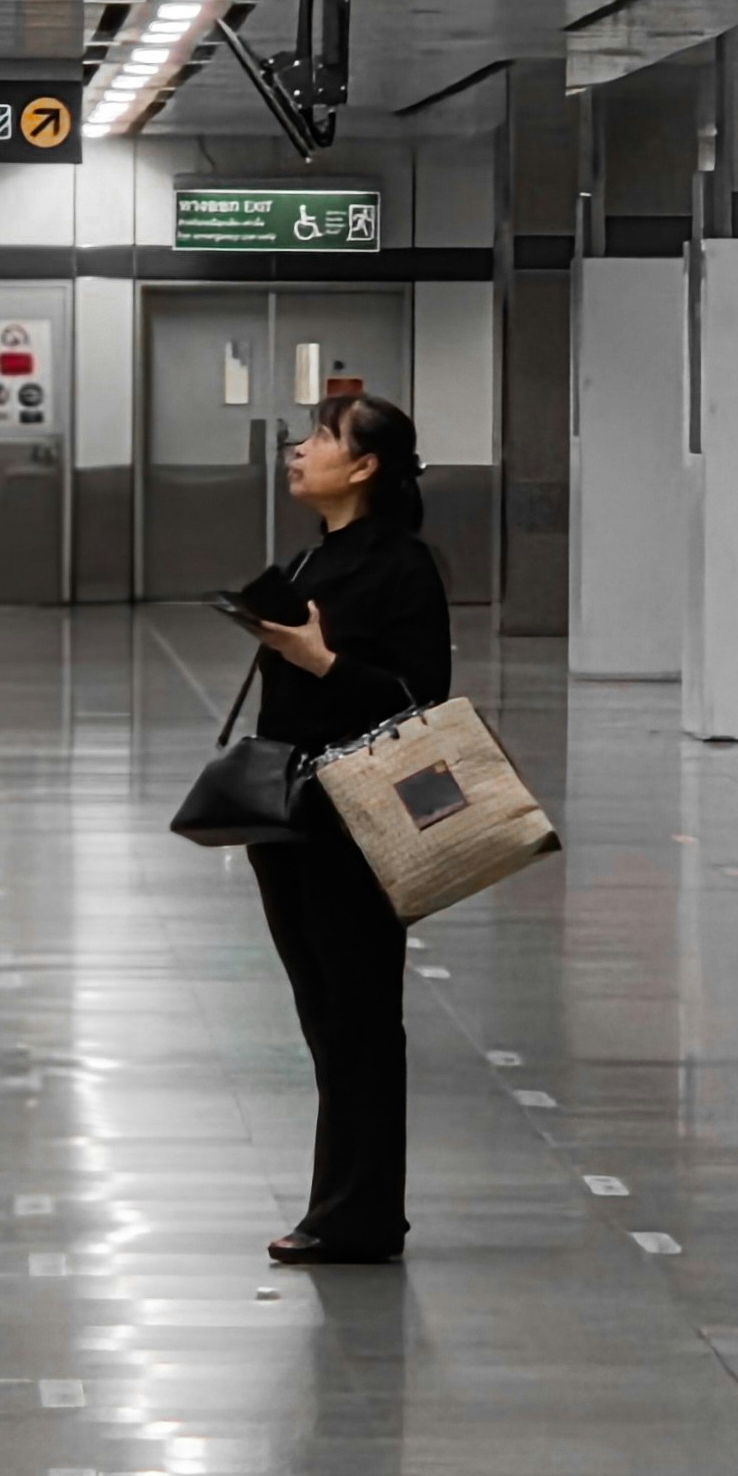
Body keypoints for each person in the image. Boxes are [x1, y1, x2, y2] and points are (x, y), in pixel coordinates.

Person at [238, 390, 450, 1266]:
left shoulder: (402, 566)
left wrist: (318, 658)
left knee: (360, 1015)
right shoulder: (309, 559)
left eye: (321, 439)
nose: (299, 449)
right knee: (324, 1016)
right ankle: (343, 1204)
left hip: (358, 817)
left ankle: (361, 1215)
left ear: (362, 467)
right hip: (290, 813)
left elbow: (418, 699)